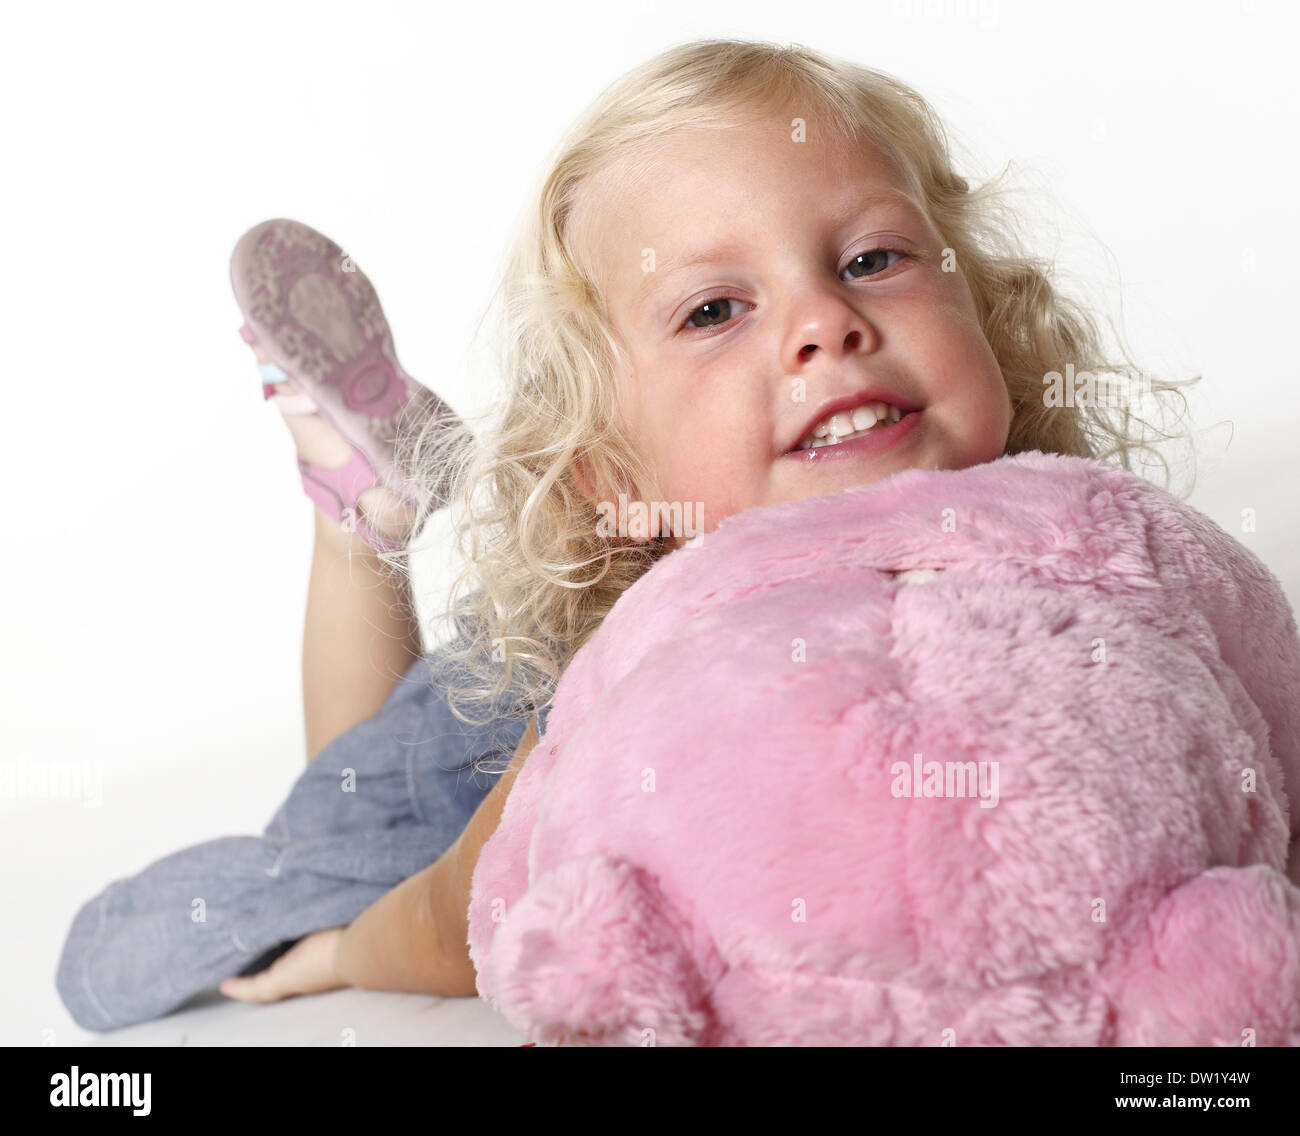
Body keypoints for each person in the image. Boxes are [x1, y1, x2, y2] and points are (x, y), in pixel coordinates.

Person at [55, 37, 1196, 1032]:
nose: (826, 324)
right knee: (346, 833)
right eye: (713, 310)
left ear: (984, 311)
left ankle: (381, 486)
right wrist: (346, 954)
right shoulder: (636, 695)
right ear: (611, 468)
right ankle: (367, 513)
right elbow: (467, 907)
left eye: (871, 261)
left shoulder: (1083, 546)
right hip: (495, 732)